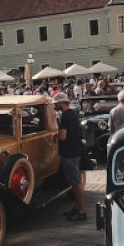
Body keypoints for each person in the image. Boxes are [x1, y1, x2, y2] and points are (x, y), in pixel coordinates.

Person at [53, 93, 87, 221]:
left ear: (61, 103)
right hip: (76, 150)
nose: (55, 106)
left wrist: (54, 136)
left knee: (76, 183)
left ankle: (82, 211)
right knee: (76, 181)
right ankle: (77, 207)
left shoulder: (65, 116)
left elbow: (62, 136)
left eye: (56, 104)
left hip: (69, 152)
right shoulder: (73, 113)